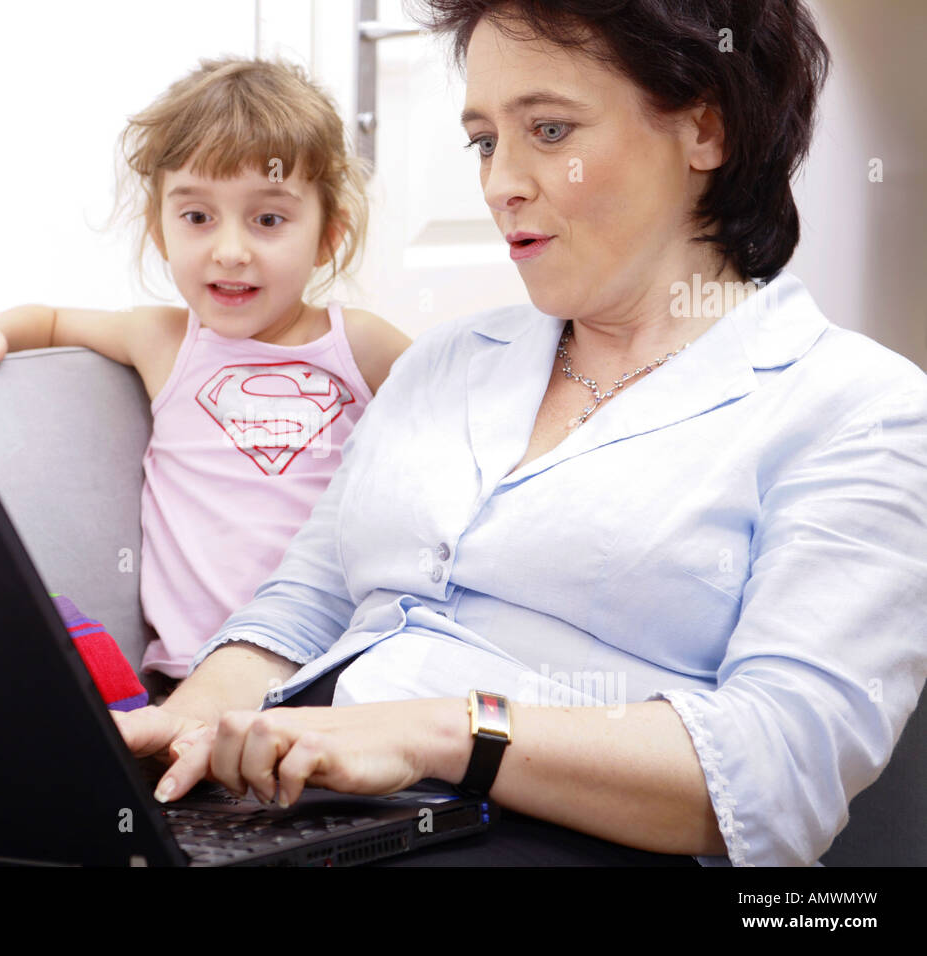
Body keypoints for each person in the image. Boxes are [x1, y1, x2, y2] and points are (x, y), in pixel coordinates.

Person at [112, 0, 927, 866]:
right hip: (325, 813)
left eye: (548, 129)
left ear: (706, 129)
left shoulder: (858, 409)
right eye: (485, 141)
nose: (501, 181)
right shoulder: (446, 362)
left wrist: (445, 733)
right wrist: (191, 723)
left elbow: (781, 772)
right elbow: (308, 601)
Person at [0, 57, 412, 688]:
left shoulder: (358, 345)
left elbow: (460, 404)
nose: (229, 250)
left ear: (328, 235)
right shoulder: (164, 340)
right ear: (161, 231)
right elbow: (53, 320)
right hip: (183, 674)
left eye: (269, 219)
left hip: (328, 665)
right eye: (197, 217)